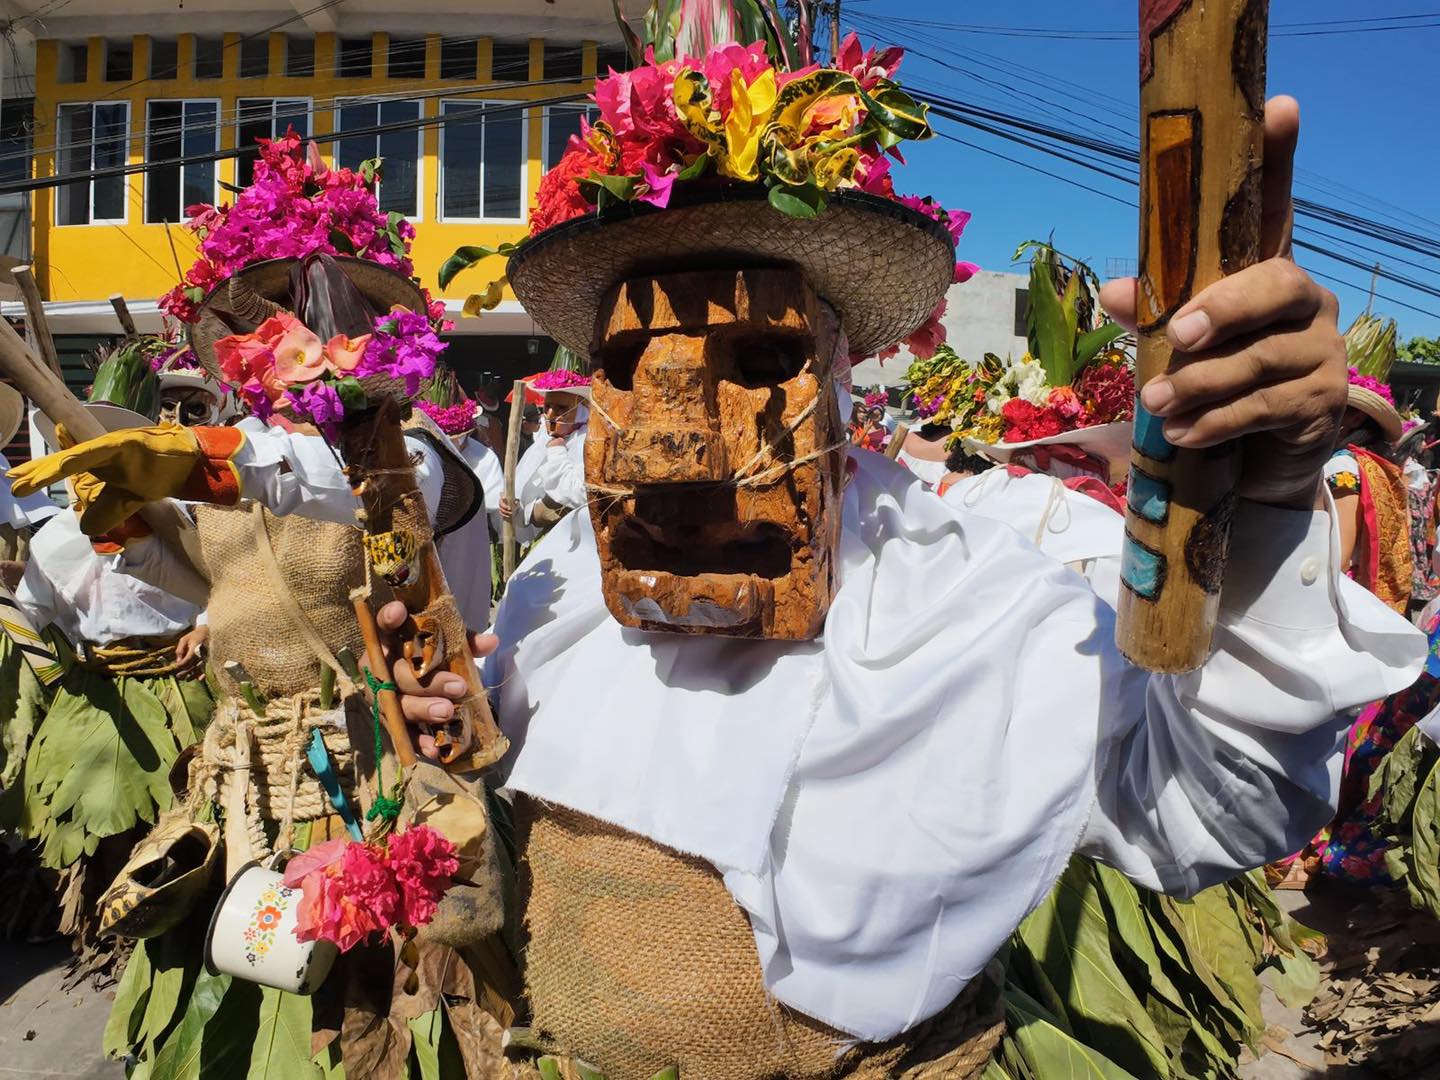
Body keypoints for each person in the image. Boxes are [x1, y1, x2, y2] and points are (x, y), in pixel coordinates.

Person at [392, 45, 1423, 1073]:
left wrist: (1263, 503)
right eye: (631, 372)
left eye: (761, 362)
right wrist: (456, 728)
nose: (679, 446)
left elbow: (1218, 810)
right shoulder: (560, 580)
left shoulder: (973, 586)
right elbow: (515, 785)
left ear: (840, 382)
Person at [499, 372, 589, 541]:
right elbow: (524, 495)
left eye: (561, 408)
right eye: (547, 406)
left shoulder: (588, 442)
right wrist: (514, 508)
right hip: (544, 541)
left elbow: (579, 494)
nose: (550, 414)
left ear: (581, 409)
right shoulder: (543, 442)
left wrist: (557, 452)